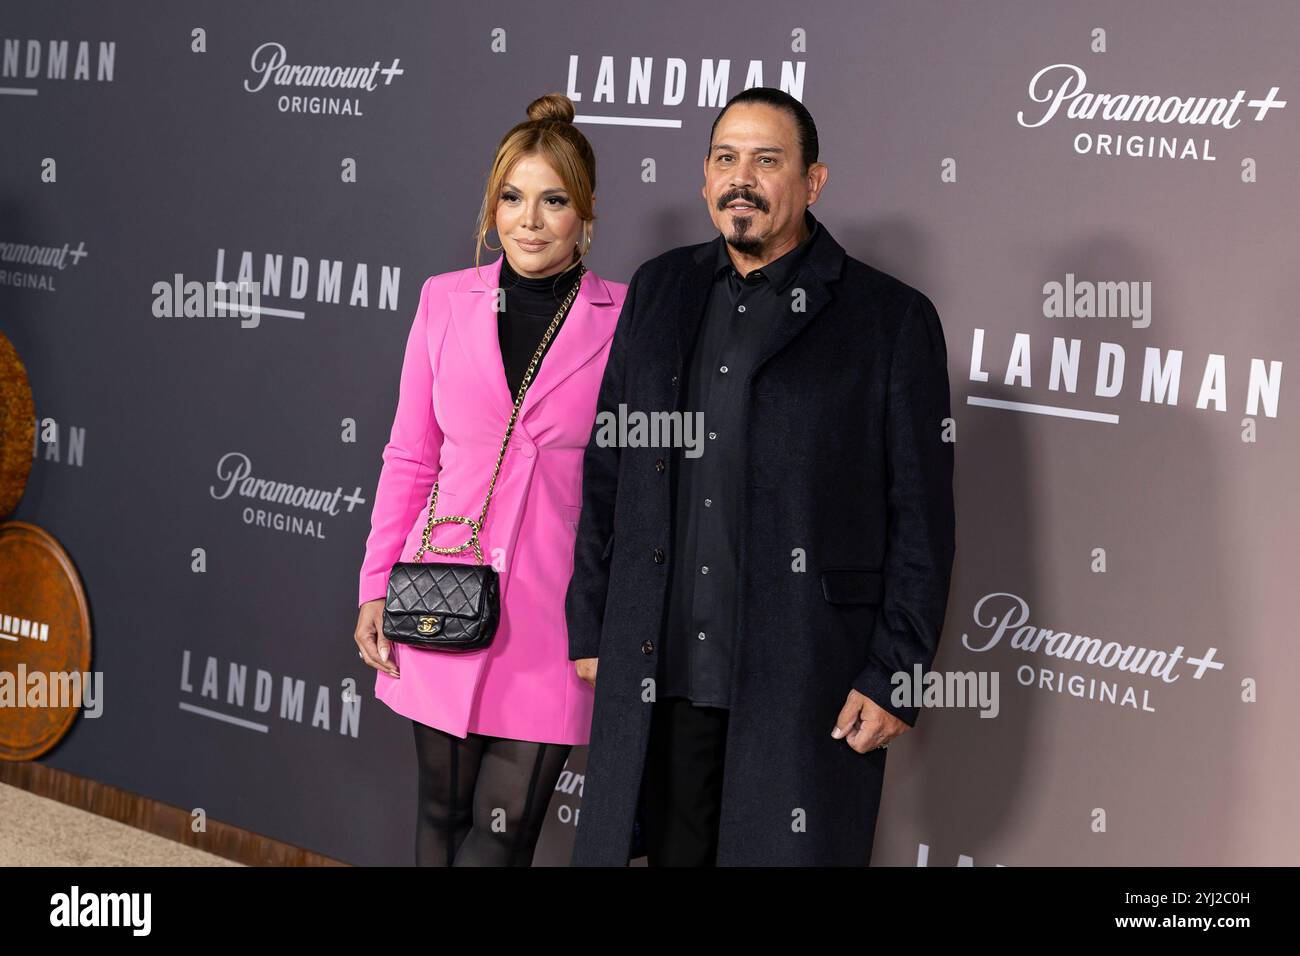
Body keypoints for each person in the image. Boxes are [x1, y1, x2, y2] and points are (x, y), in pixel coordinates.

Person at [565, 87, 956, 866]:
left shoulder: (889, 319)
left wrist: (896, 675)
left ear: (813, 182)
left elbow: (921, 518)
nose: (741, 178)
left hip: (803, 677)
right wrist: (594, 619)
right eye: (725, 158)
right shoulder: (660, 288)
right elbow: (609, 465)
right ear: (706, 179)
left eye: (767, 160)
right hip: (662, 668)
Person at [354, 93, 627, 866]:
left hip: (554, 617)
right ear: (491, 202)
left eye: (553, 200)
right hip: (442, 587)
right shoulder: (445, 301)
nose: (529, 220)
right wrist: (375, 583)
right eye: (512, 197)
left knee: (500, 840)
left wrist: (613, 617)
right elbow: (410, 455)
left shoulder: (625, 319)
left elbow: (634, 483)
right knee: (438, 820)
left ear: (586, 212)